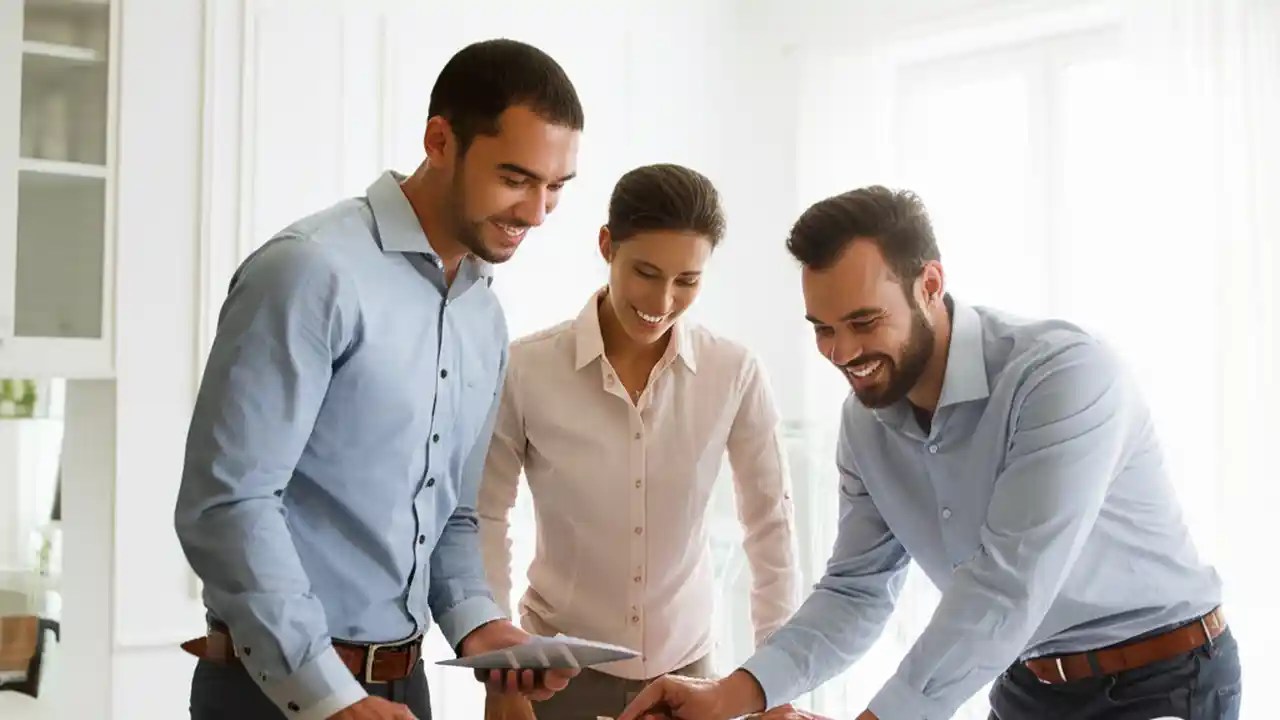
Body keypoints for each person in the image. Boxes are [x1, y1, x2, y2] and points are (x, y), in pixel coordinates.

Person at [618, 186, 1240, 720]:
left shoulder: (1062, 377)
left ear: (930, 285)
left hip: (1159, 677)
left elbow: (1005, 586)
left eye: (864, 322)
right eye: (823, 329)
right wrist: (729, 694)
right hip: (1027, 684)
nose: (842, 353)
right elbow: (856, 592)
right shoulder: (864, 423)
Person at [175, 39, 585, 720]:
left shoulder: (482, 314)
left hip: (403, 684)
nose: (537, 212)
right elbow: (228, 504)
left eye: (557, 187)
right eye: (516, 178)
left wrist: (480, 626)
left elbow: (451, 514)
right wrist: (330, 695)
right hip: (275, 694)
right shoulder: (310, 272)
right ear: (440, 141)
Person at [477, 164, 802, 720]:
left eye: (687, 281)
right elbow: (486, 516)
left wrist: (778, 686)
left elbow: (770, 528)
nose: (663, 299)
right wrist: (501, 674)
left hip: (690, 679)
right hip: (553, 679)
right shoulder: (525, 370)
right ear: (607, 246)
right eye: (646, 273)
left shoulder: (734, 372)